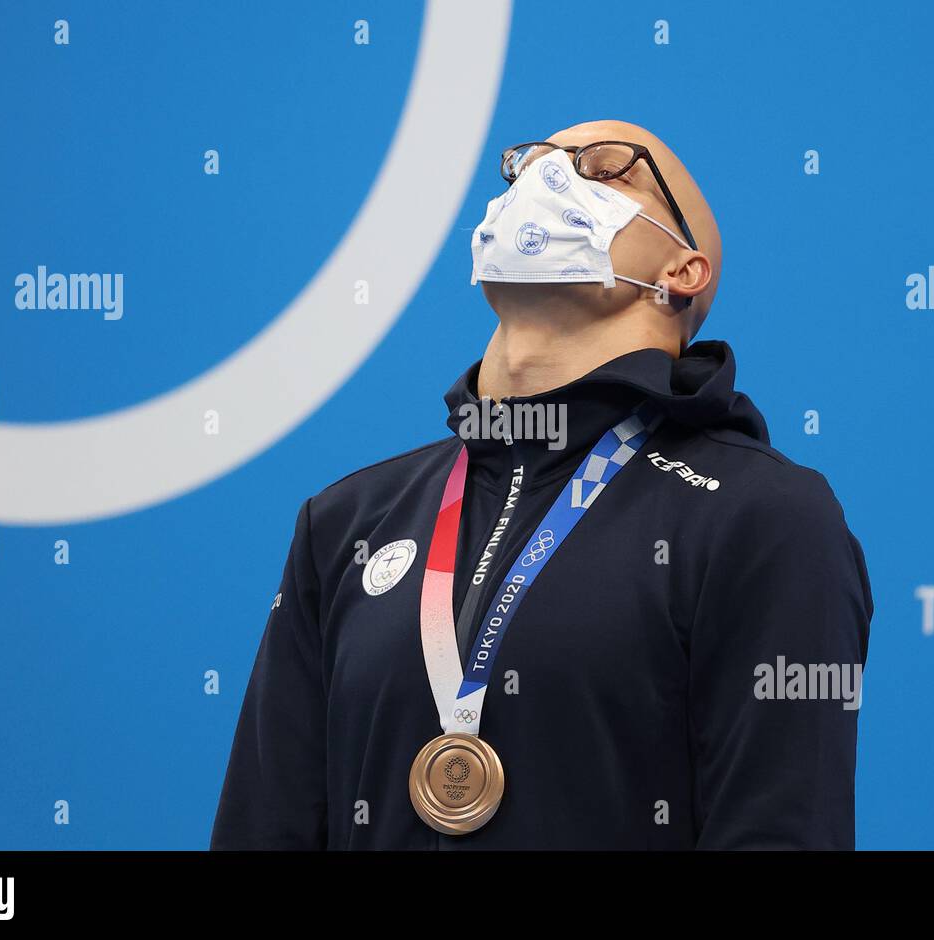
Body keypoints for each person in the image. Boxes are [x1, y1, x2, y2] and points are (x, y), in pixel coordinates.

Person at [210, 119, 874, 850]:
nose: (548, 181)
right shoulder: (347, 523)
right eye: (530, 165)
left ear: (682, 272)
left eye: (605, 167)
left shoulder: (763, 517)